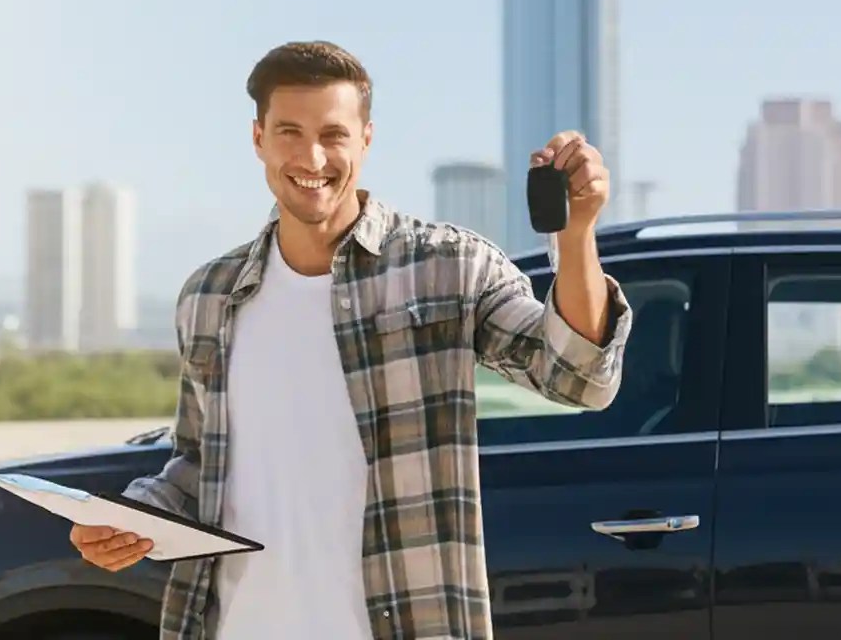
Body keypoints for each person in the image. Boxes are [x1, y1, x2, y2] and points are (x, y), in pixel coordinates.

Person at [69, 40, 633, 639]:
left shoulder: (448, 268)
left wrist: (576, 236)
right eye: (289, 131)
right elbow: (198, 465)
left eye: (334, 134)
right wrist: (135, 517)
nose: (312, 156)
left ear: (366, 139)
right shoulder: (209, 296)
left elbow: (580, 378)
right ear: (258, 137)